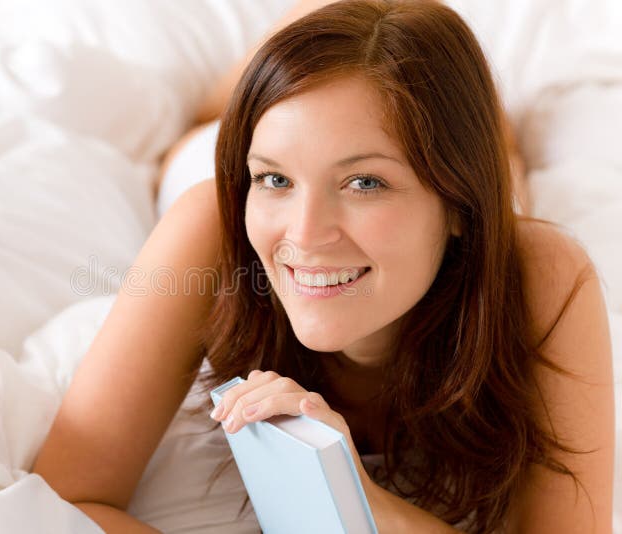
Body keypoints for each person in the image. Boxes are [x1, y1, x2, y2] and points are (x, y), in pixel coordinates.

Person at [33, 1, 615, 533]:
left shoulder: (544, 275)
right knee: (222, 117)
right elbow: (66, 500)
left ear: (460, 203)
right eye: (274, 179)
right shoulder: (211, 223)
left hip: (472, 202)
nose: (306, 235)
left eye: (365, 183)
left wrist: (358, 496)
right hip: (208, 158)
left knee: (501, 153)